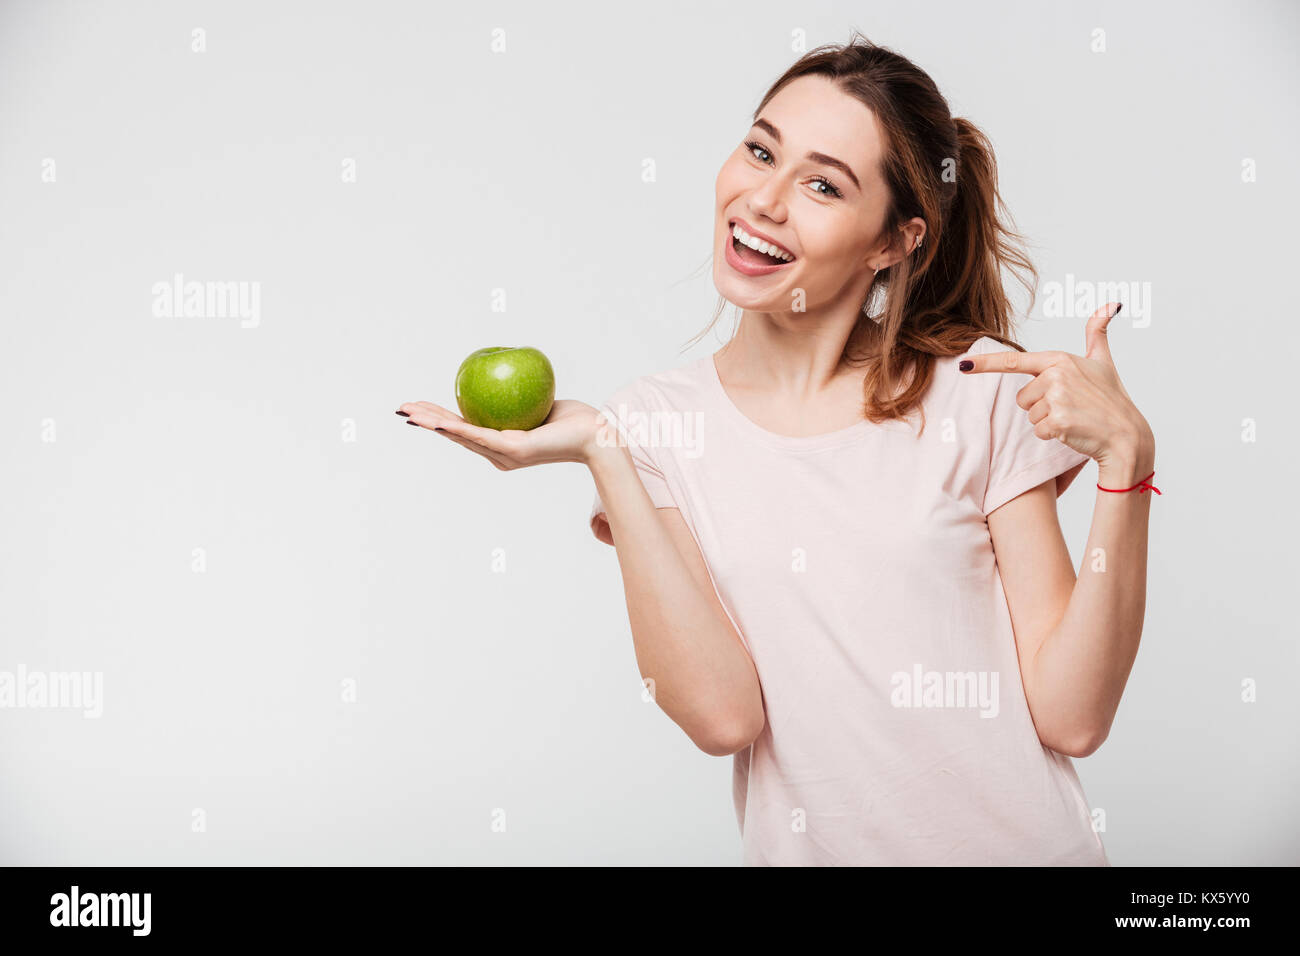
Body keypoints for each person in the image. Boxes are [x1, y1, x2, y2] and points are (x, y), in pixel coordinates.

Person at [397, 34, 1157, 866]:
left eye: (823, 184)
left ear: (895, 242)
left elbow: (1073, 716)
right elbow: (722, 718)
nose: (762, 199)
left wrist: (1127, 466)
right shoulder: (654, 424)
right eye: (761, 150)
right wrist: (605, 454)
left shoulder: (975, 390)